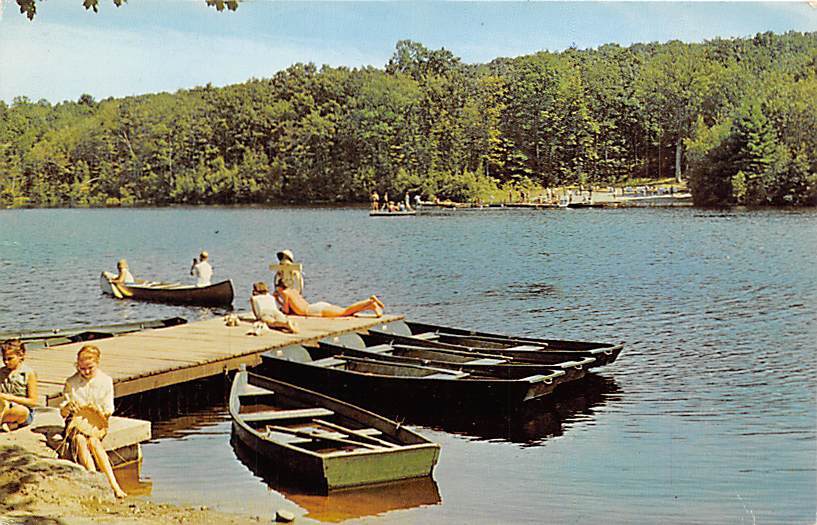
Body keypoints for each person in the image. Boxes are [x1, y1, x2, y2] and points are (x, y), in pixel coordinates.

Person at [60, 345, 127, 499]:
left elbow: (109, 409)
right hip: (75, 424)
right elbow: (63, 412)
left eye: (90, 368)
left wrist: (96, 410)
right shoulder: (71, 382)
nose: (86, 372)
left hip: (96, 425)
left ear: (97, 363)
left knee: (94, 443)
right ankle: (97, 482)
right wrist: (68, 407)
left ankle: (114, 485)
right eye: (82, 368)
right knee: (80, 440)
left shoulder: (105, 381)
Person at [274, 278, 384, 318]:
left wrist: (277, 299)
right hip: (315, 306)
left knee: (344, 312)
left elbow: (286, 310)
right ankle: (371, 306)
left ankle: (370, 300)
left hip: (313, 311)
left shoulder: (285, 293)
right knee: (347, 312)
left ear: (280, 287)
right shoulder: (293, 290)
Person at [0, 339, 38, 432]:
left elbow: (33, 401)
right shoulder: (1, 372)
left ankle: (8, 421)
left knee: (19, 411)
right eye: (4, 359)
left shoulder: (28, 373)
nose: (6, 362)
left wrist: (9, 397)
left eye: (10, 359)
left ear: (20, 355)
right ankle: (10, 424)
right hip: (4, 407)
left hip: (22, 408)